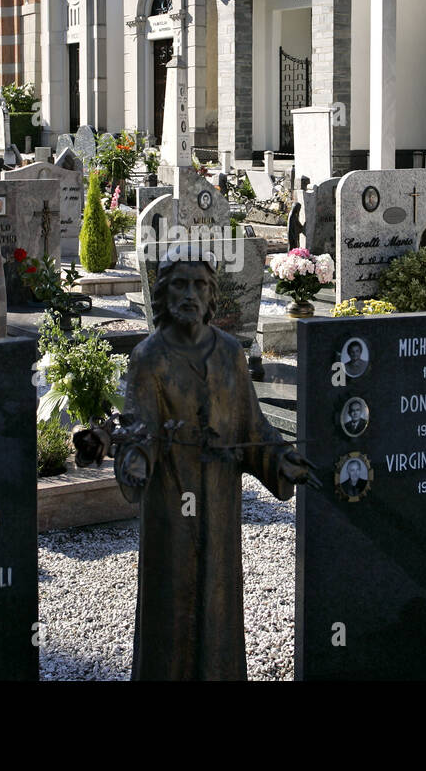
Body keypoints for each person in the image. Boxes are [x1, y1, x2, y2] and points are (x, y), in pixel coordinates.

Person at [110, 248, 319, 680]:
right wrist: (134, 460)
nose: (190, 294)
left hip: (221, 504)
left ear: (211, 297)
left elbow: (252, 426)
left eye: (200, 285)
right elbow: (138, 428)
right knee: (171, 603)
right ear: (164, 294)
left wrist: (280, 459)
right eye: (181, 285)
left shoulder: (228, 354)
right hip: (171, 504)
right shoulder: (150, 358)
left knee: (219, 598)